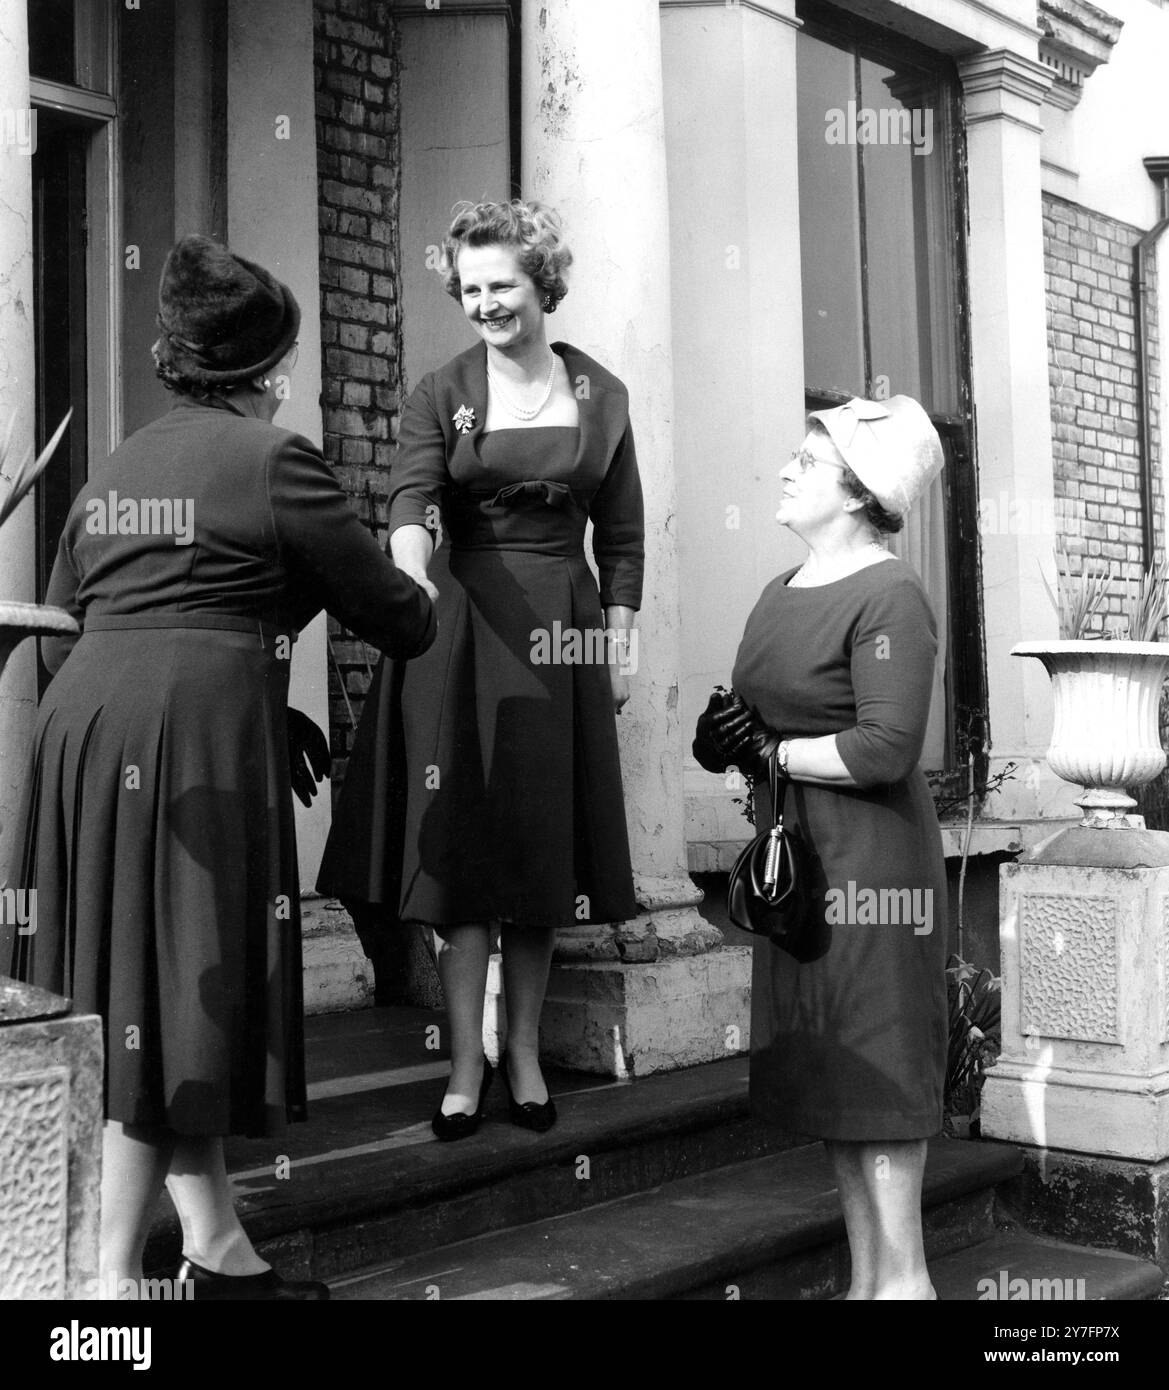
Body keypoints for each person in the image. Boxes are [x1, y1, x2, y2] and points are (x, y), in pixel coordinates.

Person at [8, 236, 435, 1299]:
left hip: (84, 730)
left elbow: (68, 628)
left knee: (135, 981)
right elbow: (396, 617)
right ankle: (105, 1283)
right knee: (176, 985)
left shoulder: (119, 460)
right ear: (272, 372)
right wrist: (419, 564)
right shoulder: (276, 457)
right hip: (188, 738)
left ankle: (218, 1246)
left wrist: (238, 684)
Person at [318, 199, 644, 1140]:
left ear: (543, 282)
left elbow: (620, 538)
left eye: (502, 285)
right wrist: (411, 585)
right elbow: (411, 499)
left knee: (541, 853)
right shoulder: (440, 389)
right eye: (469, 289)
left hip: (562, 627)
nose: (486, 304)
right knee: (459, 852)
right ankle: (462, 1064)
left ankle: (527, 1057)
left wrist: (618, 643)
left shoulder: (602, 395)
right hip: (457, 627)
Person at [697, 395, 947, 1300]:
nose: (784, 471)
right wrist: (728, 741)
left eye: (807, 461)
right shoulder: (778, 590)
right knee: (836, 1084)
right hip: (796, 863)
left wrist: (773, 751)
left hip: (871, 868)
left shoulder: (889, 592)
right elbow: (758, 712)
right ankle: (865, 1286)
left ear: (857, 492)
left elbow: (885, 747)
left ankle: (906, 1285)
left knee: (878, 1083)